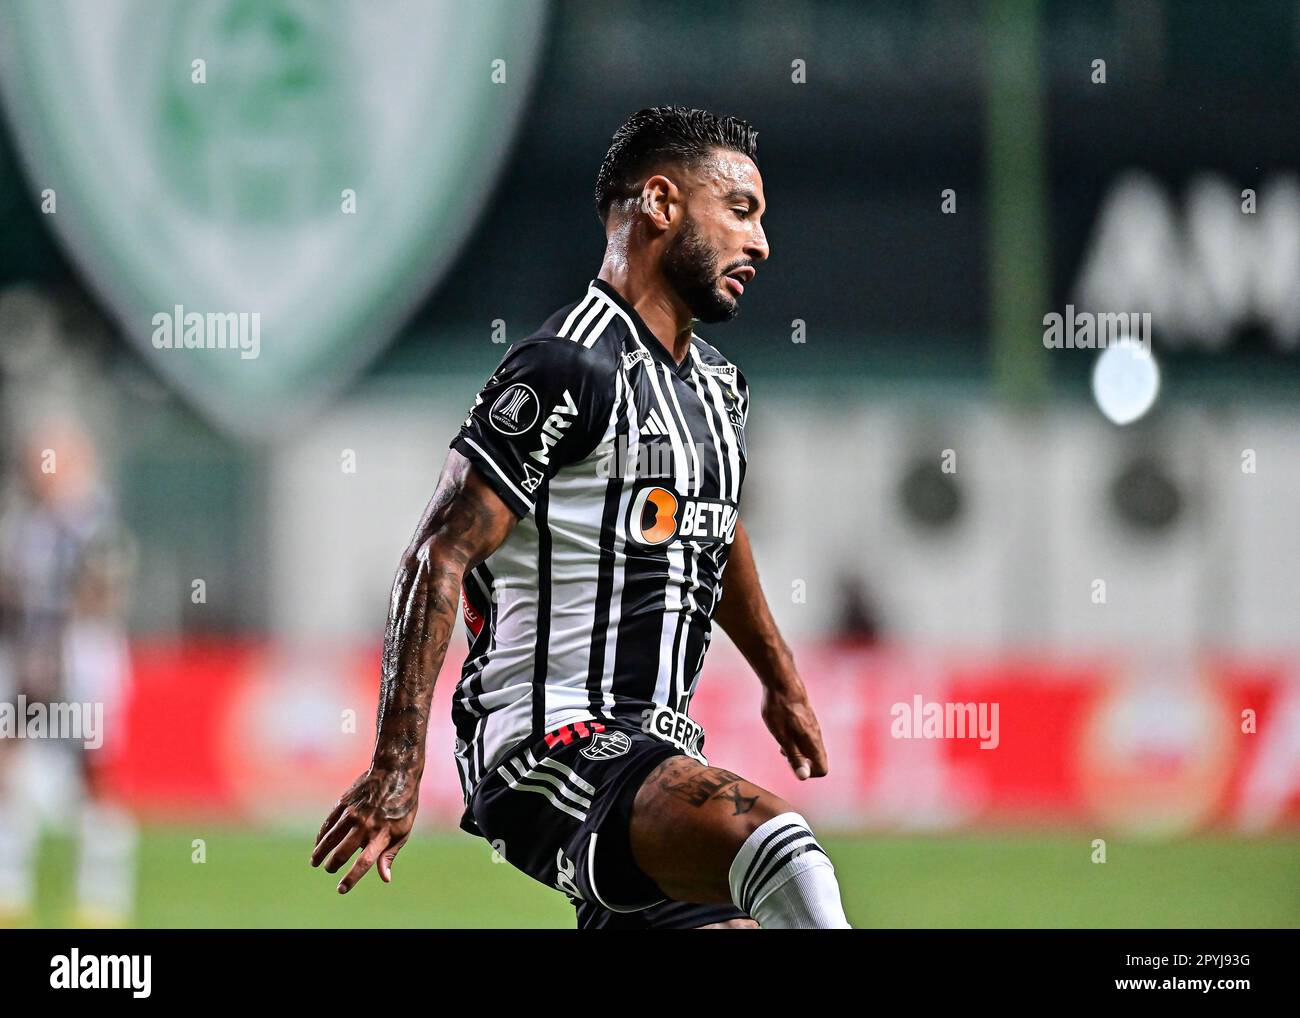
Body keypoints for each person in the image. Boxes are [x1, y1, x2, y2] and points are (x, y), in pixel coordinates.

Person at [312, 107, 850, 929]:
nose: (763, 243)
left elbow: (715, 529)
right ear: (662, 205)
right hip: (550, 744)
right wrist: (396, 763)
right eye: (741, 211)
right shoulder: (568, 365)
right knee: (780, 851)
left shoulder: (718, 387)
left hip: (659, 755)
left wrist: (781, 680)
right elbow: (438, 556)